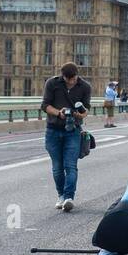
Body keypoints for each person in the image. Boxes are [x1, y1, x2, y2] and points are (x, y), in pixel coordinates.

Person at [41, 61, 91, 212]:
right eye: (68, 79)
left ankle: (69, 197)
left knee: (70, 166)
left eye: (73, 79)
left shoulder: (85, 87)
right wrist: (59, 113)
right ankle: (61, 196)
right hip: (53, 130)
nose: (71, 82)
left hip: (73, 131)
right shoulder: (52, 83)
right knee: (57, 167)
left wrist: (79, 114)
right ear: (63, 76)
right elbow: (45, 105)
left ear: (77, 75)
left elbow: (86, 110)